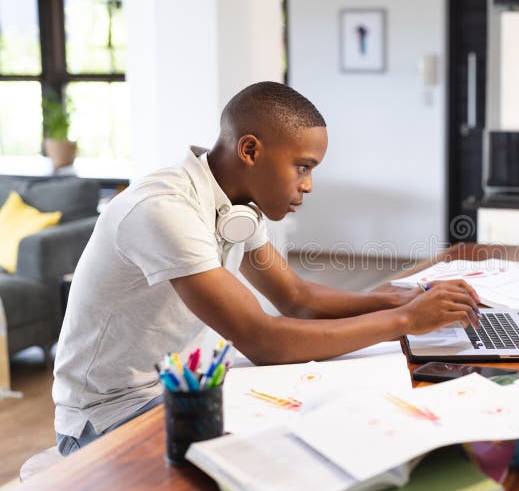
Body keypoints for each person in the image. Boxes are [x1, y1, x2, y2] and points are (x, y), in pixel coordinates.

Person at [52, 81, 480, 456]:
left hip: (190, 388)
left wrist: (395, 298)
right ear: (250, 149)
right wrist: (404, 320)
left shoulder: (235, 204)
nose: (308, 185)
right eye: (302, 167)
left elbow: (296, 298)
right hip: (112, 419)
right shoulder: (163, 211)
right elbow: (262, 340)